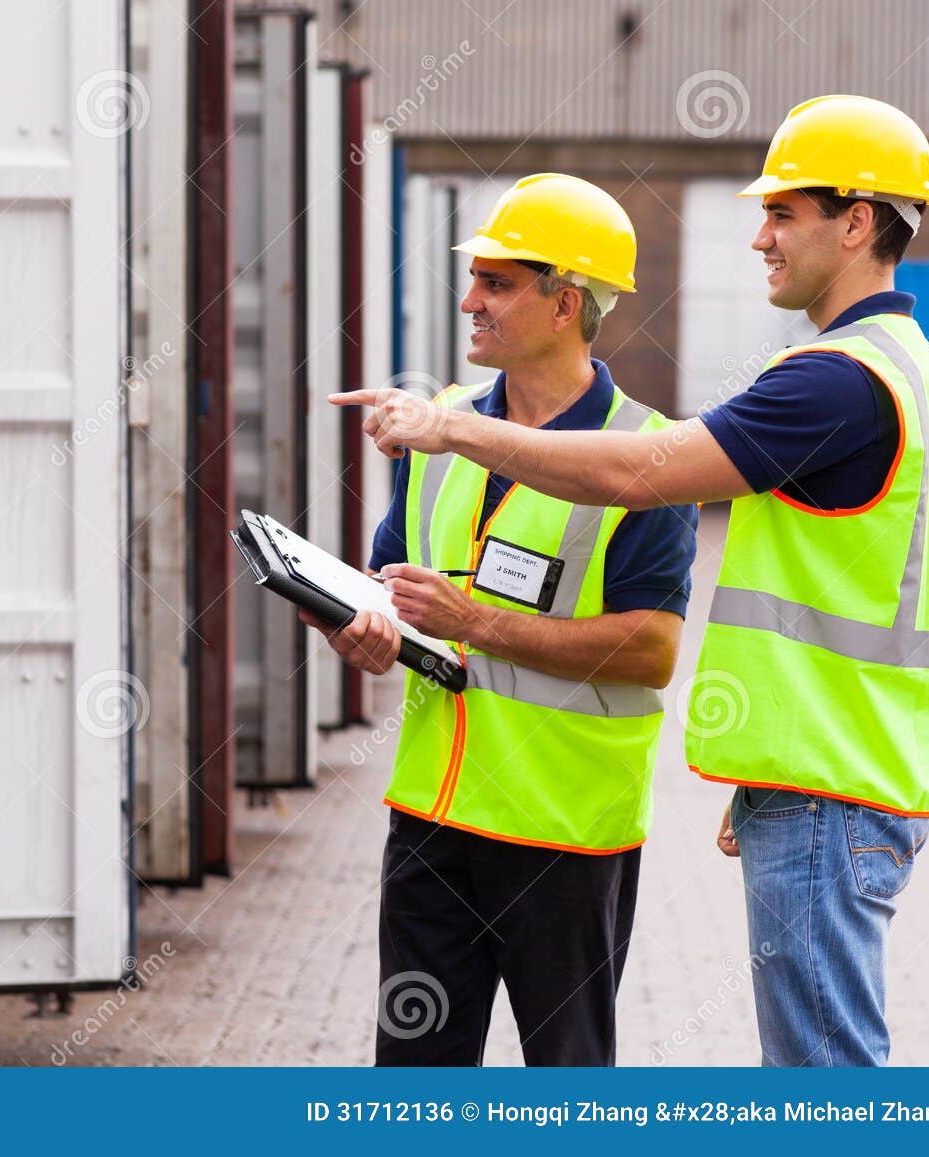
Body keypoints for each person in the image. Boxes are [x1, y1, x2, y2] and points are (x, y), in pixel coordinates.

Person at [332, 96, 929, 1067]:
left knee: (824, 1084)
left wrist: (449, 427)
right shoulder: (902, 368)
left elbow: (640, 472)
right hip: (824, 781)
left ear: (855, 221)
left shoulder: (838, 379)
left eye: (782, 212)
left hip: (785, 797)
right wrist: (774, 781)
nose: (759, 235)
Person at [307, 173, 699, 1066]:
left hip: (563, 834)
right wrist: (358, 629)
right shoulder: (438, 433)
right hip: (432, 822)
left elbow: (650, 649)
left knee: (564, 1083)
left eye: (495, 282)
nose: (468, 301)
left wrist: (475, 623)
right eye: (473, 278)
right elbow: (391, 592)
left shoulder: (649, 455)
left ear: (565, 304)